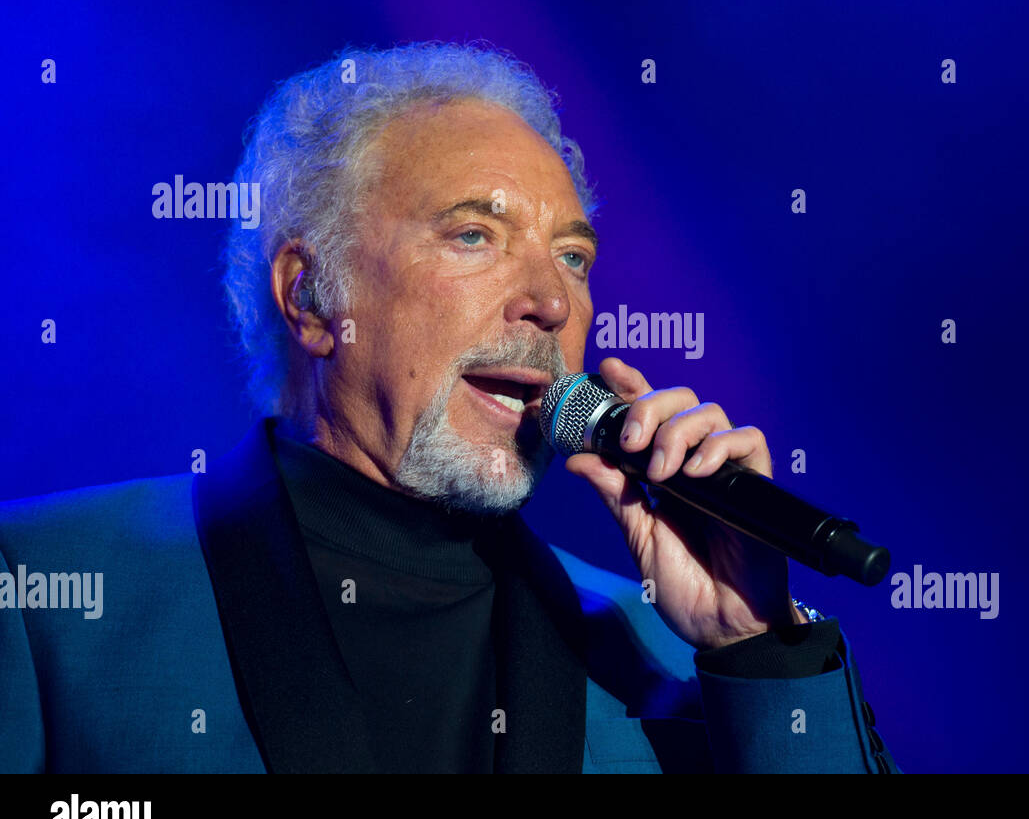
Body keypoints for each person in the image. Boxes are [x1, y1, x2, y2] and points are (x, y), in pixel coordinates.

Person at [0, 42, 899, 773]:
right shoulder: (46, 591)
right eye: (476, 235)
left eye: (575, 257)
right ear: (311, 299)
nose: (552, 301)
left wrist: (757, 647)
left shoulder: (666, 652)